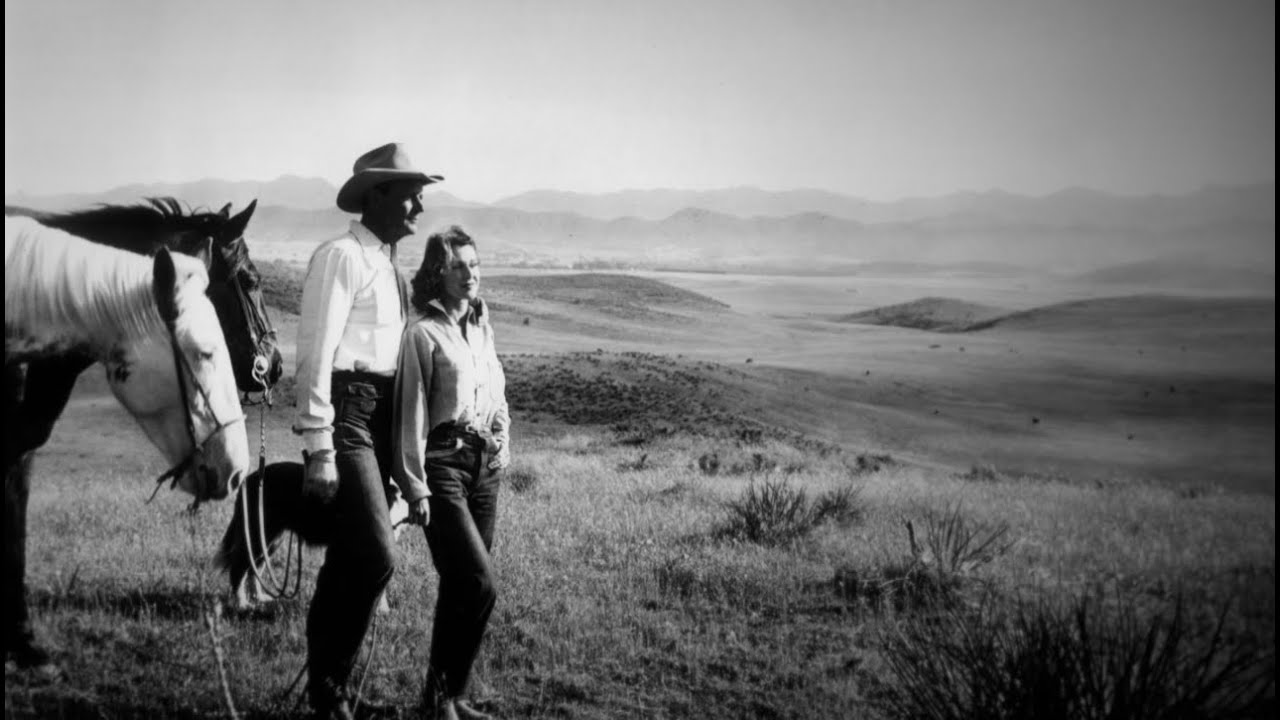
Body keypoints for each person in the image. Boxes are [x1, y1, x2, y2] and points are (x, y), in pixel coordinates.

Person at [294, 142, 442, 720]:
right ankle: (328, 689)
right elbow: (315, 352)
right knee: (378, 554)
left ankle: (331, 691)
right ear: (379, 193)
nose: (420, 209)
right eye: (413, 195)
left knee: (351, 557)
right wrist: (318, 446)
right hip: (348, 415)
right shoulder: (341, 256)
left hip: (382, 420)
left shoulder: (387, 265)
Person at [393, 226, 511, 720]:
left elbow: (497, 391)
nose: (470, 274)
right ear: (437, 274)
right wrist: (413, 484)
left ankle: (445, 699)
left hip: (484, 468)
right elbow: (411, 412)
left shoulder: (482, 329)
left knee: (459, 586)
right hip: (442, 466)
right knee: (480, 583)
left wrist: (503, 440)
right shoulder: (422, 333)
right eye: (459, 266)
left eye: (474, 264)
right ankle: (443, 697)